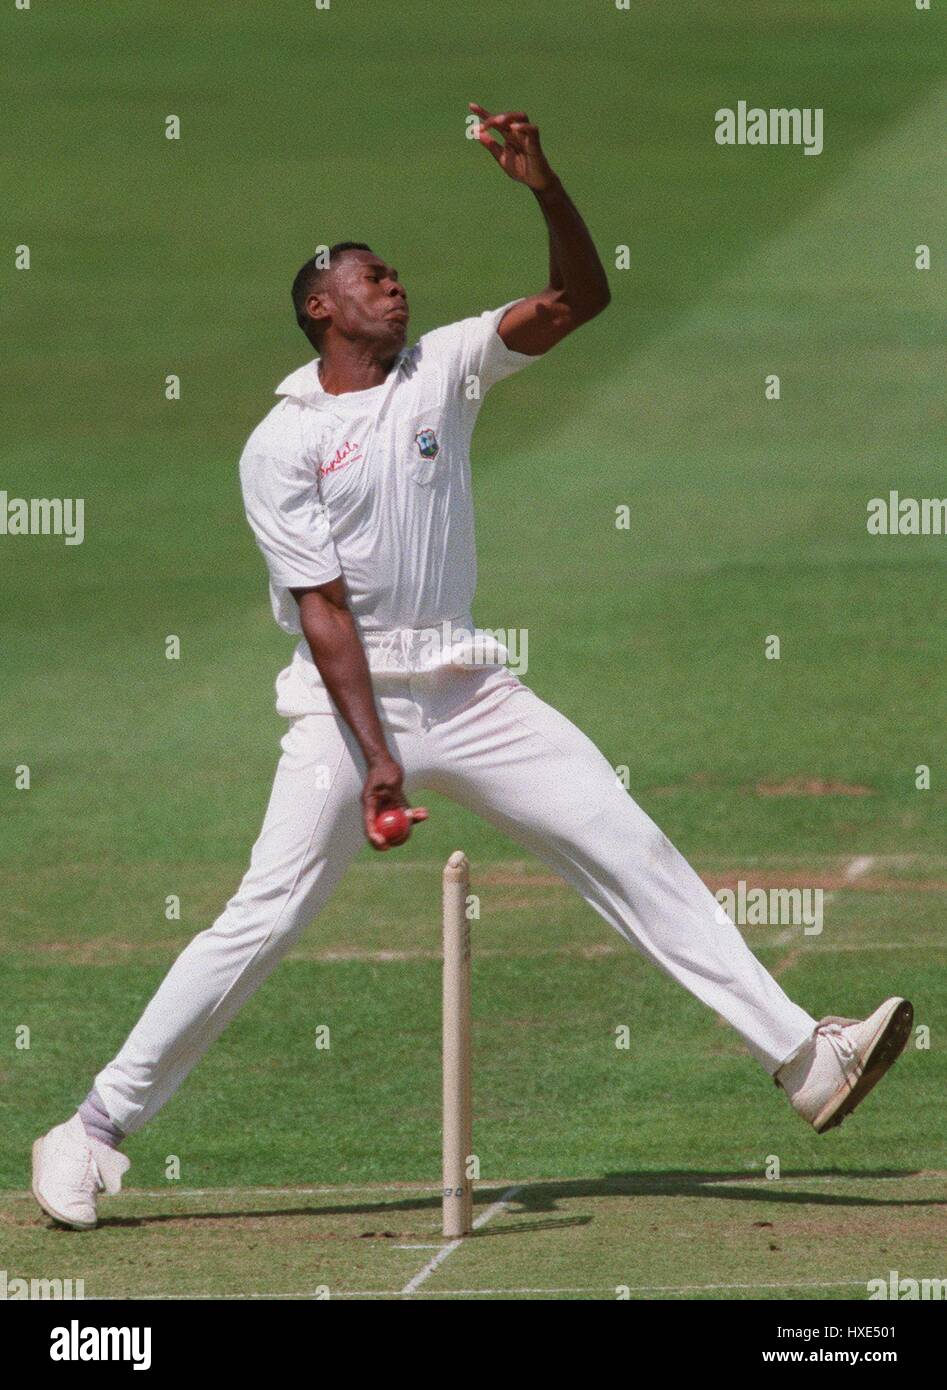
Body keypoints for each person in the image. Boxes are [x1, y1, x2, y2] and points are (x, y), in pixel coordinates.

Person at [32, 105, 912, 1230]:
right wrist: (377, 754)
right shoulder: (282, 442)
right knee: (262, 917)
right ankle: (93, 1127)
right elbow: (324, 612)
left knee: (621, 839)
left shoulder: (441, 364)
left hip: (470, 685)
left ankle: (804, 1057)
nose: (393, 287)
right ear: (319, 307)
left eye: (396, 275)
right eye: (369, 277)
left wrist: (543, 186)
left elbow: (577, 301)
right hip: (343, 707)